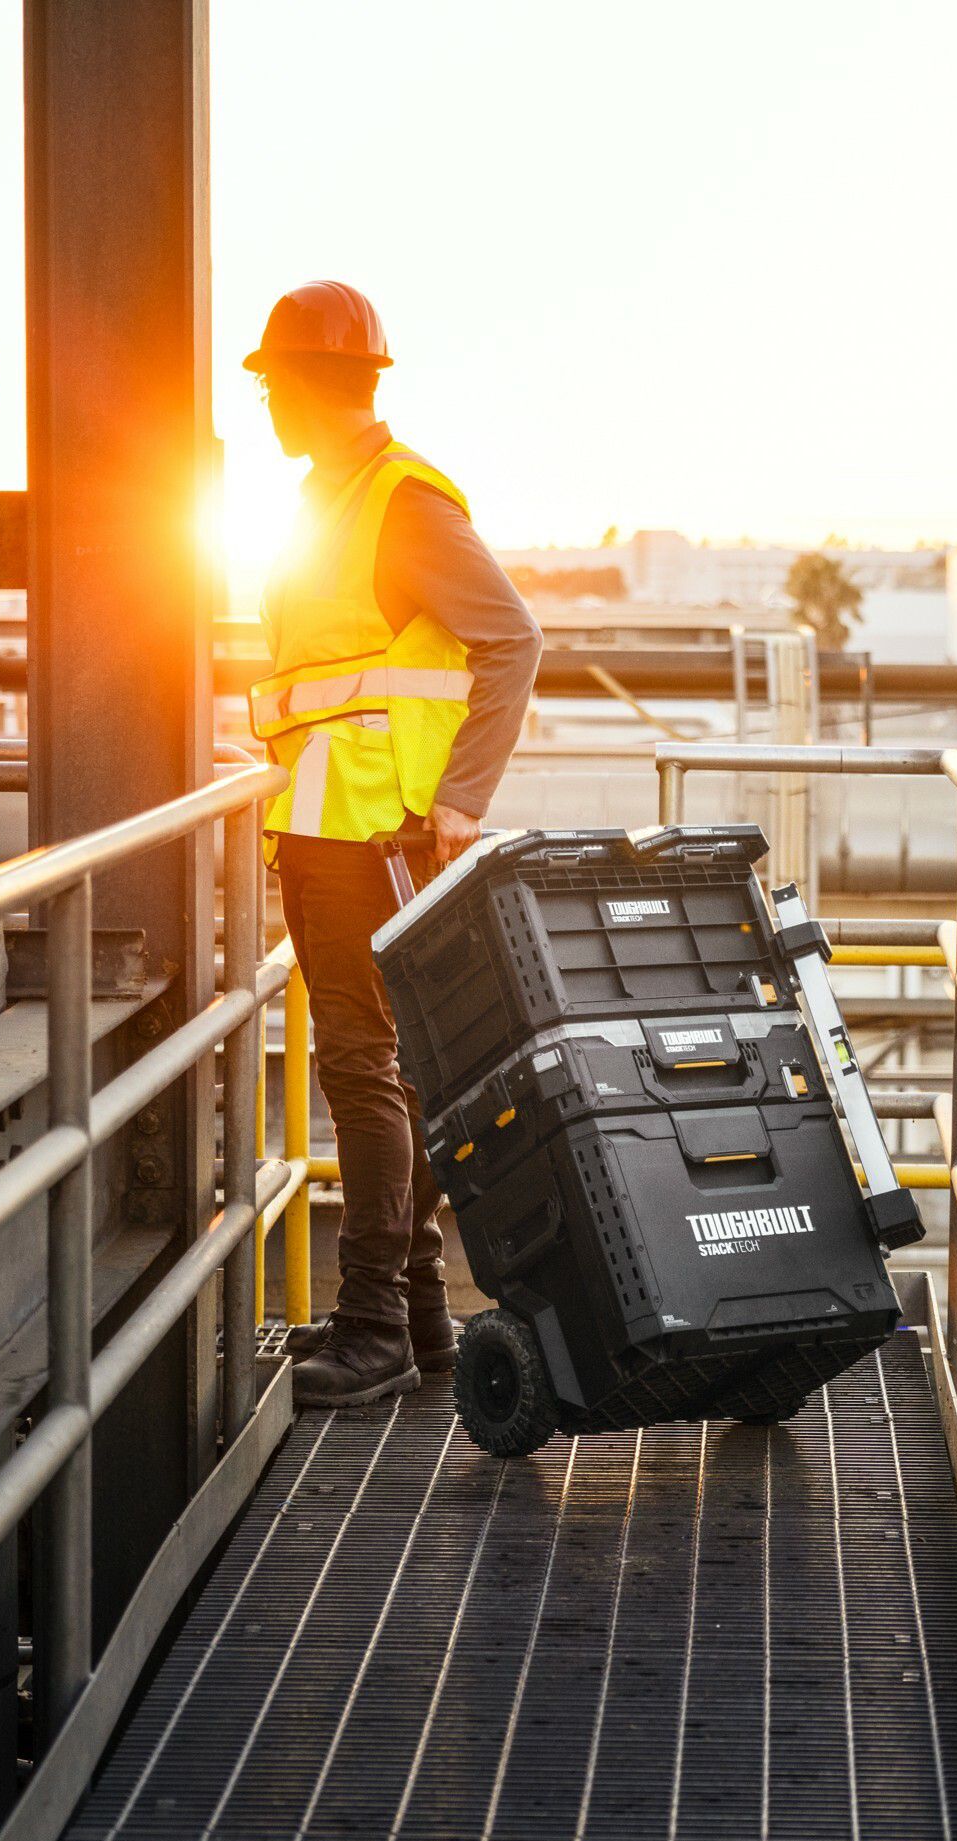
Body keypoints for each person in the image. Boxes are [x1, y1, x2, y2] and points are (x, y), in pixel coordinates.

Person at [245, 280, 542, 1406]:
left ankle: (368, 1323)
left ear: (317, 384)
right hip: (325, 823)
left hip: (375, 827)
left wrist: (462, 794)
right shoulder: (328, 499)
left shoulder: (400, 502)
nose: (268, 403)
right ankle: (416, 1319)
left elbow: (510, 639)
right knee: (385, 1072)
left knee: (366, 1073)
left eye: (275, 382)